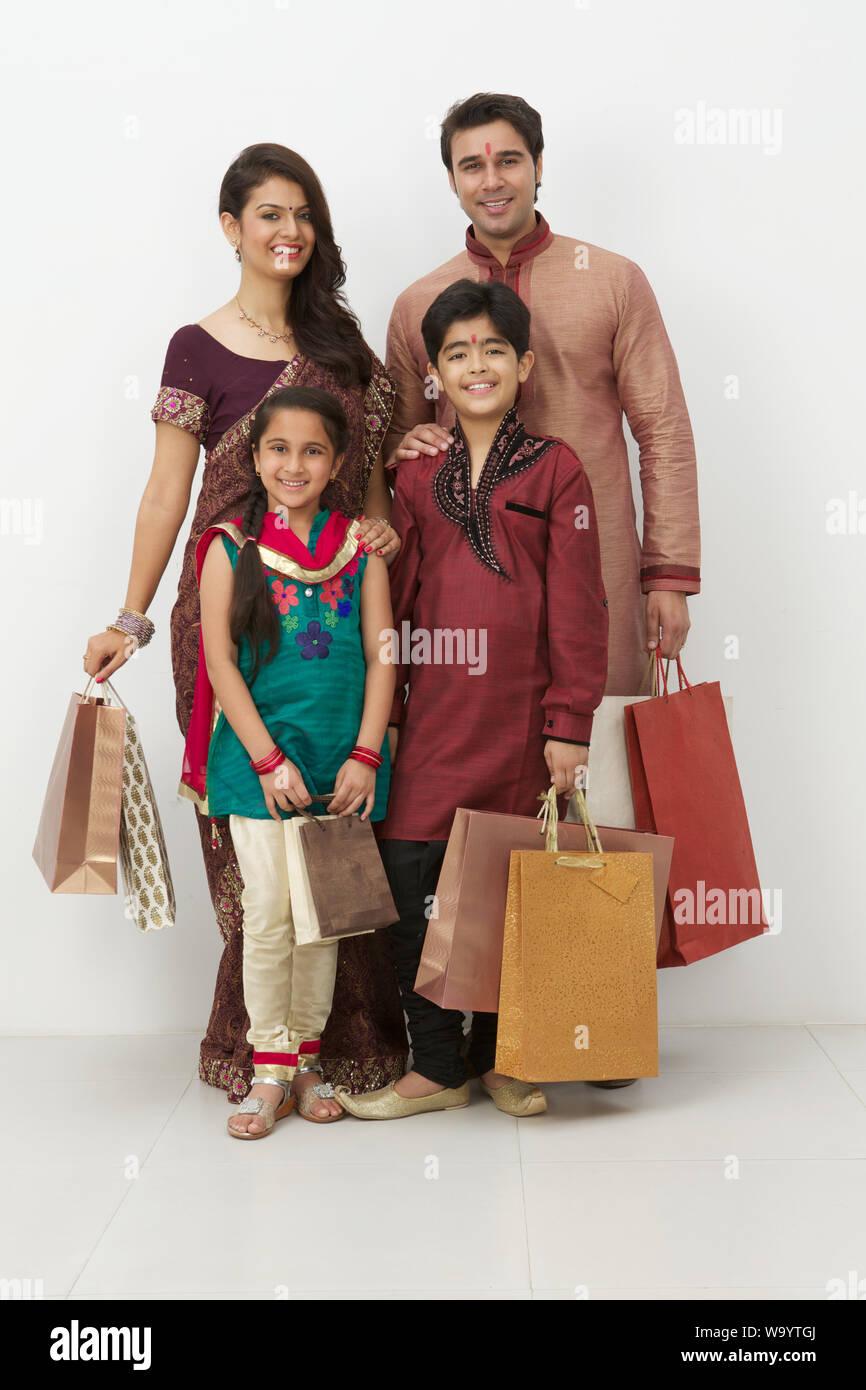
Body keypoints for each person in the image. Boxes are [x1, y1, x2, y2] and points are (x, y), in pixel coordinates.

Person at [82, 143, 408, 1106]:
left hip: (340, 613)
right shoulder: (198, 347)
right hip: (227, 625)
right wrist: (131, 618)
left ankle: (335, 1050)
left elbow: (374, 481)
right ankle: (263, 1050)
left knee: (340, 834)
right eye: (268, 214)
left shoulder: (345, 346)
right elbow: (165, 497)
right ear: (231, 227)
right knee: (258, 855)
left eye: (303, 214)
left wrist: (384, 520)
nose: (289, 232)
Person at [336, 279, 609, 1121]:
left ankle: (501, 1057)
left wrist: (569, 727)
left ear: (525, 363)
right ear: (435, 375)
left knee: (509, 889)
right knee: (406, 874)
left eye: (494, 349)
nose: (476, 365)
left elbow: (579, 609)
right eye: (456, 353)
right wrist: (383, 516)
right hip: (433, 716)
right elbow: (401, 593)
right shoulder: (417, 472)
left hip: (524, 722)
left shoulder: (559, 469)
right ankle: (438, 1063)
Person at [384, 92, 699, 700]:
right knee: (475, 751)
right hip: (464, 573)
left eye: (509, 160)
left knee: (596, 750)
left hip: (595, 558)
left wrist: (668, 576)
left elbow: (663, 428)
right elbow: (394, 447)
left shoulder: (612, 281)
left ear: (539, 165)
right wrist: (405, 444)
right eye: (472, 166)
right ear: (451, 179)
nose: (492, 180)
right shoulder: (419, 303)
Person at [190, 386, 395, 1136]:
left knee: (326, 922)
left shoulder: (359, 546)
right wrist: (270, 759)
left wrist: (368, 754)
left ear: (337, 461)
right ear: (255, 457)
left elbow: (382, 657)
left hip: (341, 767)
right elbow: (219, 660)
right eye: (279, 449)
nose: (295, 464)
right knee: (270, 916)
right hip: (258, 768)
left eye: (313, 450)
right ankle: (269, 1068)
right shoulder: (229, 546)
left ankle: (309, 1059)